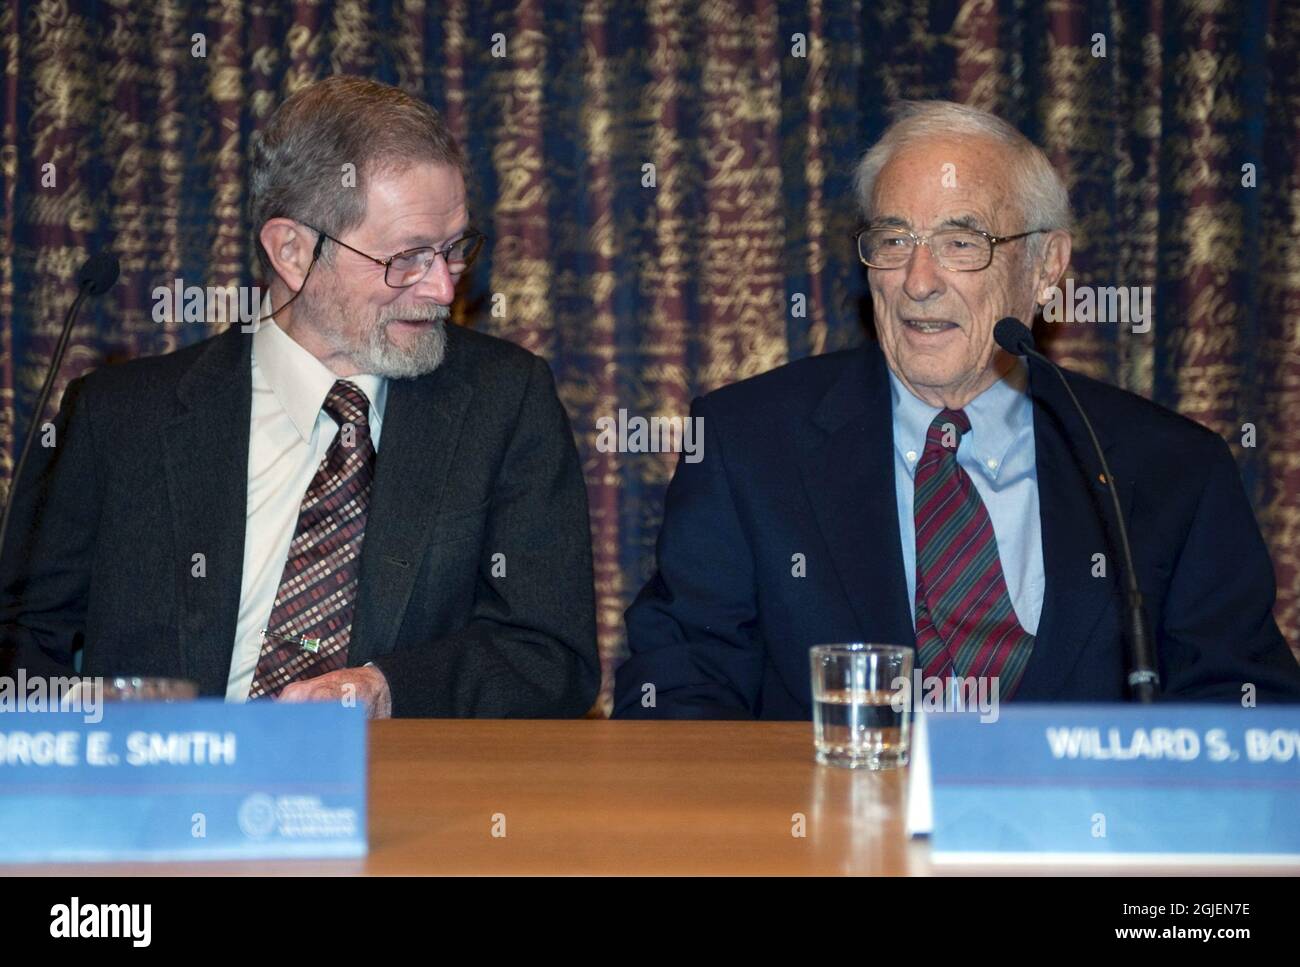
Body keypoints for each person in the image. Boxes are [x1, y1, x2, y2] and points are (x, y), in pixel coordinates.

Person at [615, 99, 1300, 718]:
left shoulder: (1171, 470)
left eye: (960, 242)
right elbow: (679, 696)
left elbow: (1242, 708)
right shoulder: (748, 445)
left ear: (1045, 264)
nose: (917, 281)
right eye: (892, 241)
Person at [0, 76, 598, 719]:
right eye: (409, 257)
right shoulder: (119, 418)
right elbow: (23, 641)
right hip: (161, 793)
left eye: (454, 251)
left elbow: (549, 653)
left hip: (401, 796)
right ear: (292, 251)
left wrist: (386, 690)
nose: (442, 289)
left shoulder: (503, 403)